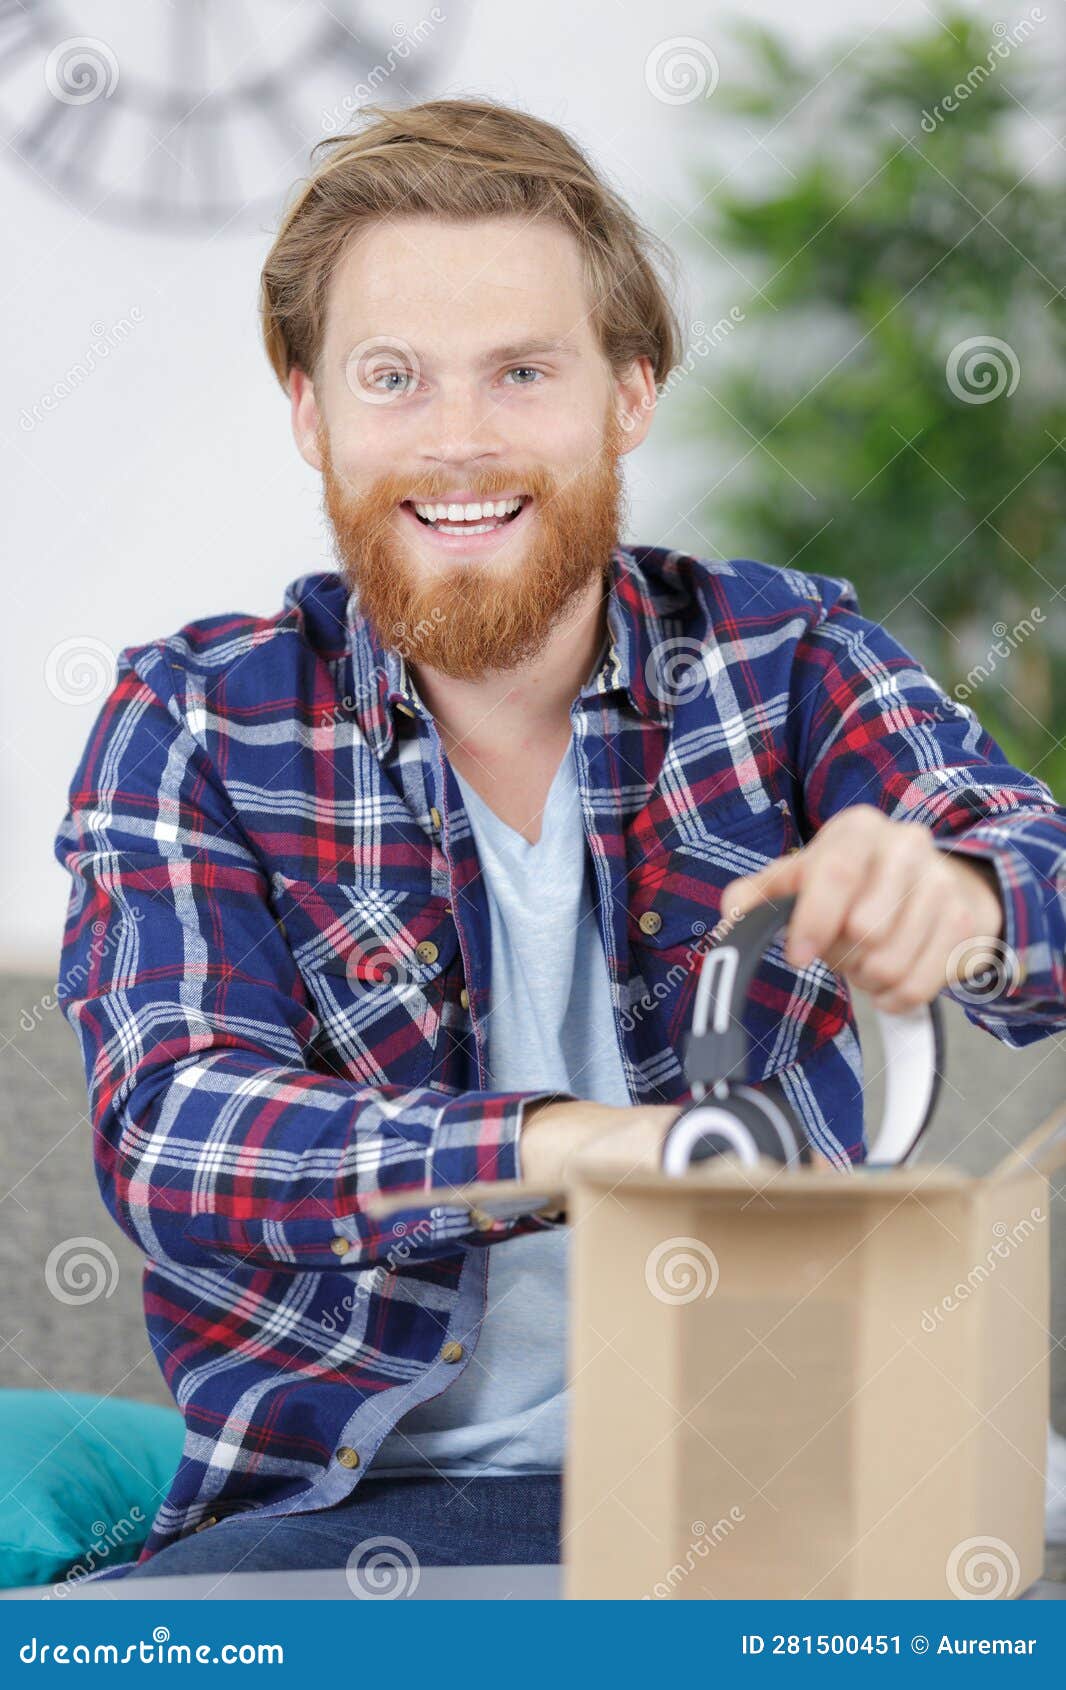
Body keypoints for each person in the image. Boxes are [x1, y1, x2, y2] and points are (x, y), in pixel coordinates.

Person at [53, 97, 1066, 1585]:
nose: (458, 441)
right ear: (311, 411)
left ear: (628, 394)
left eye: (523, 371)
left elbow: (1037, 876)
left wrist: (967, 899)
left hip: (779, 1476)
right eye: (393, 377)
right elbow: (177, 1137)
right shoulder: (197, 720)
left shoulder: (784, 658)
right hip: (356, 1509)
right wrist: (579, 1147)